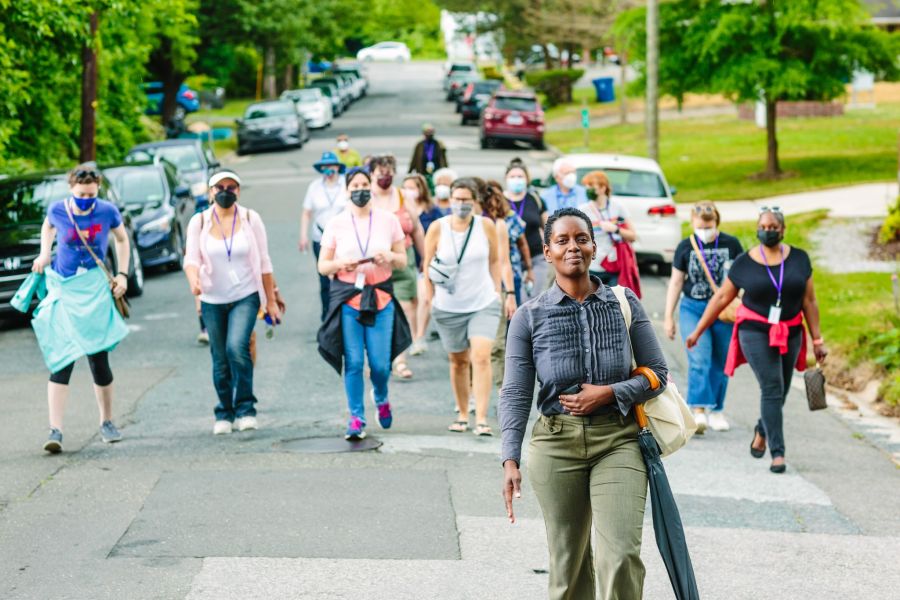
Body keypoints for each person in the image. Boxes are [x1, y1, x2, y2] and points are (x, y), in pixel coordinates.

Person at [500, 208, 668, 600]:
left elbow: (658, 373)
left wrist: (611, 393)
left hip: (619, 439)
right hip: (556, 444)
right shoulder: (529, 317)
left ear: (594, 247)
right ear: (548, 251)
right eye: (562, 241)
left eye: (581, 239)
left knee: (621, 555)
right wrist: (510, 458)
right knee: (568, 564)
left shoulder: (623, 303)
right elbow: (515, 392)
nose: (573, 247)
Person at [686, 208, 828, 474]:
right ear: (757, 228)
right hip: (754, 331)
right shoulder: (744, 262)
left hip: (791, 330)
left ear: (783, 230)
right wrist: (698, 330)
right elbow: (721, 298)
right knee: (772, 387)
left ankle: (762, 429)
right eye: (764, 226)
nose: (768, 230)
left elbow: (809, 300)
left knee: (782, 389)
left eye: (774, 227)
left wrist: (817, 339)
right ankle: (777, 452)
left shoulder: (799, 259)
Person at [29, 164, 131, 453]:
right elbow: (48, 225)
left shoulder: (107, 210)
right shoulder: (58, 210)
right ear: (70, 189)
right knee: (62, 359)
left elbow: (122, 239)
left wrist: (122, 275)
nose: (86, 199)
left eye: (91, 194)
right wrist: (44, 253)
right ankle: (55, 430)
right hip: (64, 286)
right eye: (81, 194)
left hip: (95, 288)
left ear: (98, 188)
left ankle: (107, 421)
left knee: (98, 358)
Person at [316, 167, 411, 441]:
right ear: (347, 190)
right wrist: (338, 264)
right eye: (354, 185)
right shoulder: (336, 223)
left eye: (363, 184)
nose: (359, 190)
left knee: (381, 364)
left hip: (381, 297)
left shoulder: (388, 220)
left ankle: (381, 396)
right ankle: (356, 417)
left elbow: (403, 259)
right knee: (355, 362)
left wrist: (389, 257)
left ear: (370, 187)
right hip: (349, 298)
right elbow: (323, 266)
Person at [184, 170, 281, 435]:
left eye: (232, 187)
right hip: (212, 297)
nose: (226, 191)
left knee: (237, 346)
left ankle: (246, 408)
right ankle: (224, 412)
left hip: (245, 295)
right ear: (210, 192)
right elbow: (191, 259)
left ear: (238, 191)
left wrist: (270, 300)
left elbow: (264, 261)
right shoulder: (199, 221)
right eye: (220, 187)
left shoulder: (251, 218)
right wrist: (194, 281)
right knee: (220, 357)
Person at [423, 178, 502, 436]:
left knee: (480, 357)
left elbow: (494, 260)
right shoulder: (438, 228)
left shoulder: (485, 225)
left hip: (482, 302)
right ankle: (462, 412)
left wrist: (497, 291)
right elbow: (426, 265)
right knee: (458, 361)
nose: (461, 204)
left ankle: (481, 417)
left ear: (475, 201)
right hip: (448, 306)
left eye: (466, 199)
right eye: (456, 199)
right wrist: (431, 297)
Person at [664, 202, 743, 433]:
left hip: (724, 310)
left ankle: (717, 409)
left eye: (709, 225)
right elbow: (676, 282)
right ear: (693, 222)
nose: (705, 229)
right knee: (699, 358)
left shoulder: (732, 244)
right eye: (700, 225)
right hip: (693, 308)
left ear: (716, 222)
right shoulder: (685, 247)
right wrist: (669, 316)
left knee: (721, 360)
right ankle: (698, 410)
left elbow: (742, 277)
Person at [369, 154, 424, 379]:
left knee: (406, 308)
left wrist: (426, 260)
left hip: (404, 258)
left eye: (389, 172)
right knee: (374, 310)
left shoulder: (403, 197)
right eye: (380, 173)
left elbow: (417, 229)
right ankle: (377, 356)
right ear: (372, 174)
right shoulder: (366, 197)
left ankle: (400, 359)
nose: (385, 176)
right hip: (375, 264)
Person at [479, 180, 522, 392]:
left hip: (495, 290)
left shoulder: (499, 225)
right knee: (476, 346)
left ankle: (502, 391)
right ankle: (473, 390)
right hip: (471, 290)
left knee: (496, 344)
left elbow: (504, 261)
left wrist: (510, 293)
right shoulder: (466, 225)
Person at [299, 152, 347, 321]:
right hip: (321, 237)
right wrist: (303, 235)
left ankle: (344, 311)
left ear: (337, 167)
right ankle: (327, 315)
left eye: (332, 166)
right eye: (325, 167)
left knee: (343, 275)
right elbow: (306, 212)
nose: (329, 170)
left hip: (343, 239)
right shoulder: (314, 187)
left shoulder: (345, 185)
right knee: (325, 277)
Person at [402, 174, 443, 356]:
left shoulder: (432, 211)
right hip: (408, 264)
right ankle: (412, 336)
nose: (409, 192)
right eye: (406, 188)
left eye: (413, 187)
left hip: (427, 262)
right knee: (411, 303)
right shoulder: (400, 210)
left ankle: (419, 336)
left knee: (425, 299)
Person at [578, 170, 639, 291]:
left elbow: (633, 236)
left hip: (614, 265)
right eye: (586, 187)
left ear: (602, 188)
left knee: (614, 303)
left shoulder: (617, 207)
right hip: (592, 266)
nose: (588, 190)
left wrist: (615, 229)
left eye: (591, 186)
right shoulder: (583, 210)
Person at [503, 161, 543, 299]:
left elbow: (549, 226)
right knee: (515, 299)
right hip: (510, 260)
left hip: (536, 256)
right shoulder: (500, 201)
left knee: (533, 299)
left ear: (527, 179)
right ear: (506, 179)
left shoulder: (535, 199)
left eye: (520, 176)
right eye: (512, 176)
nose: (516, 180)